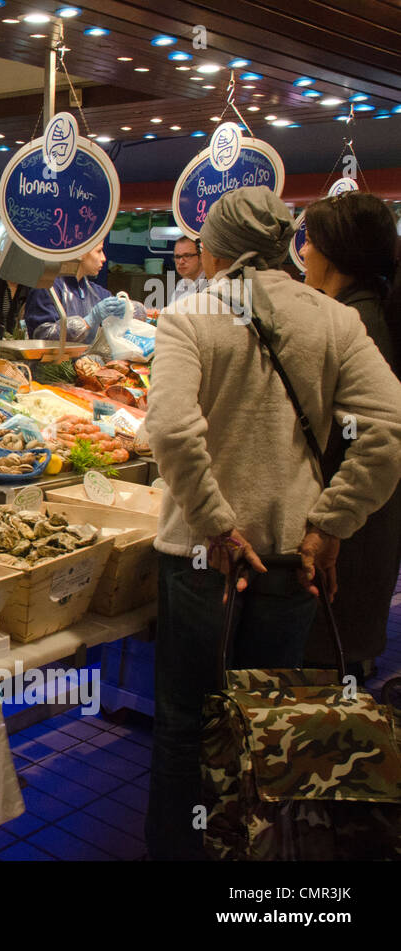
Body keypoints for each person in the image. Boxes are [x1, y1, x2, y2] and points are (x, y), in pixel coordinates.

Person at [143, 186, 401, 861]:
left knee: (182, 726)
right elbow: (390, 429)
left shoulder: (189, 312)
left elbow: (170, 426)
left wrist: (215, 523)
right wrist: (332, 523)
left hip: (203, 560)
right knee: (268, 721)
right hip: (292, 554)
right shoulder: (333, 319)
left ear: (215, 248)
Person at [298, 192, 401, 676]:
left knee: (325, 665)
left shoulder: (355, 324)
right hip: (366, 518)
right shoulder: (373, 308)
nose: (303, 254)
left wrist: (329, 524)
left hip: (347, 526)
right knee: (344, 656)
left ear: (336, 253)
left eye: (310, 242)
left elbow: (377, 433)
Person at [24, 244, 111, 341]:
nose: (103, 258)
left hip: (88, 357)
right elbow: (43, 336)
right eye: (99, 251)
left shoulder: (97, 293)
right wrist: (87, 322)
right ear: (81, 252)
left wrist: (128, 309)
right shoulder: (47, 288)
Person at [169, 236, 205, 302]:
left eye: (187, 256)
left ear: (200, 257)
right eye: (177, 257)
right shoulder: (180, 284)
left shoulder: (210, 286)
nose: (181, 262)